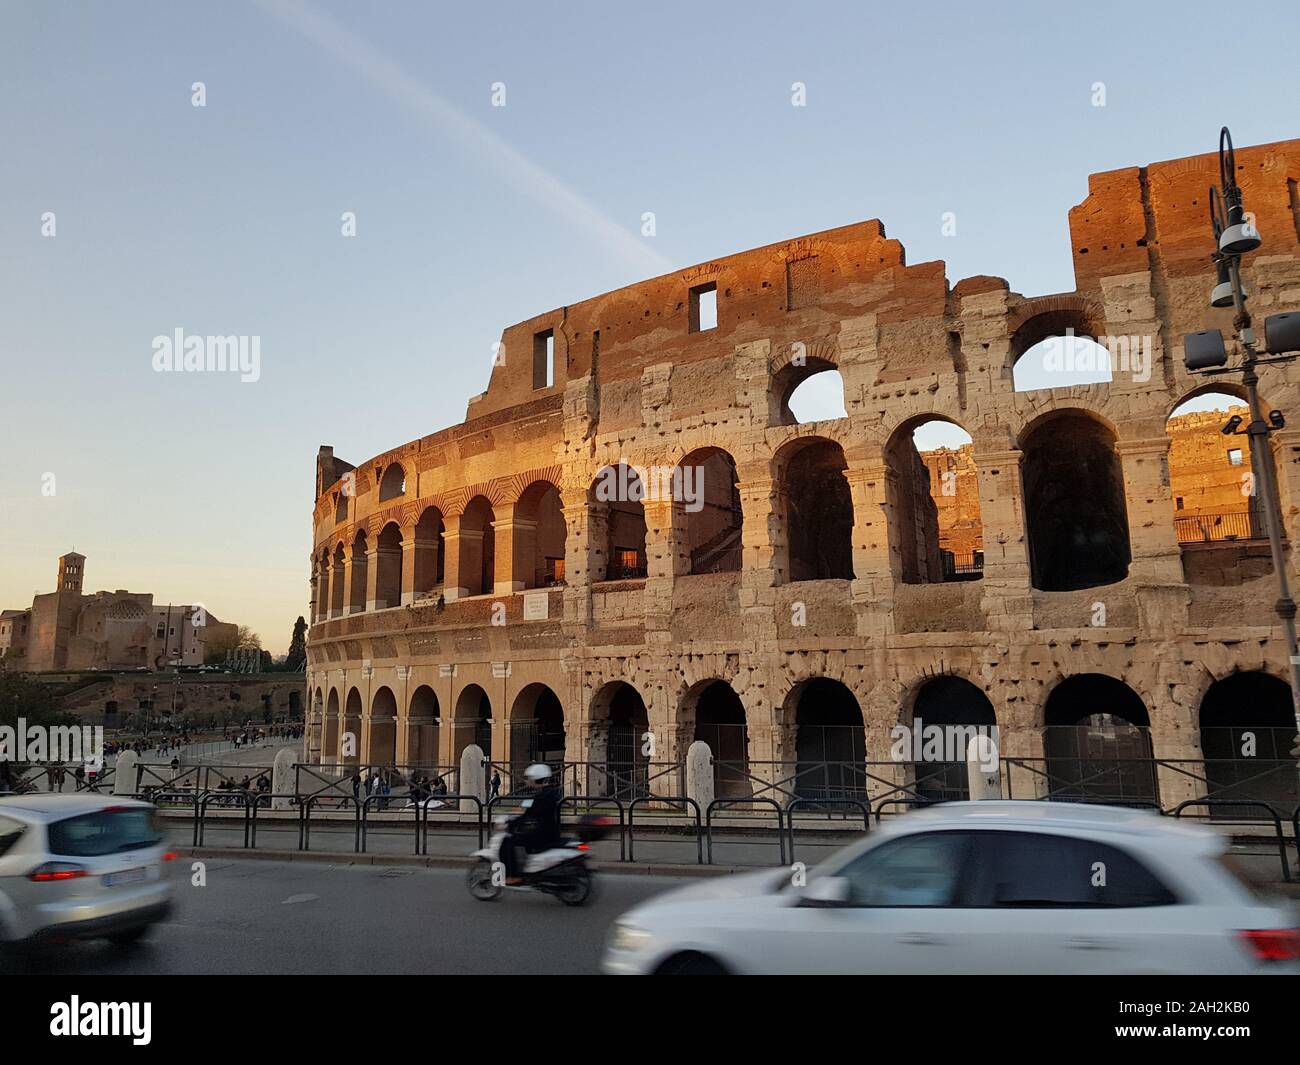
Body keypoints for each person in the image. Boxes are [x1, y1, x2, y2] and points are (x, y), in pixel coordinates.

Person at [502, 764, 561, 885]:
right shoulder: (551, 793)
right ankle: (531, 872)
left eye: (529, 778)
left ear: (535, 779)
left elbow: (525, 813)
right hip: (551, 831)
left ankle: (513, 875)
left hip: (543, 833)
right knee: (524, 837)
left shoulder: (540, 797)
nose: (527, 780)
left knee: (509, 841)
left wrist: (510, 824)